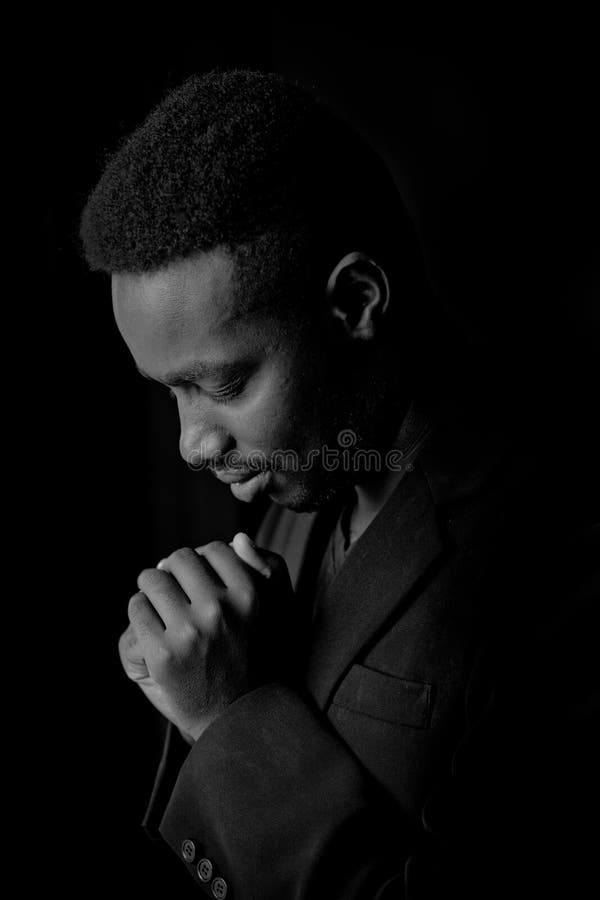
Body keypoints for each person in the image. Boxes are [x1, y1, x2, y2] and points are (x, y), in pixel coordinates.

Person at [80, 70, 598, 898]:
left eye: (221, 384)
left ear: (356, 303)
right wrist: (200, 678)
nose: (191, 443)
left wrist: (228, 720)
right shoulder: (309, 476)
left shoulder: (559, 542)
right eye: (168, 389)